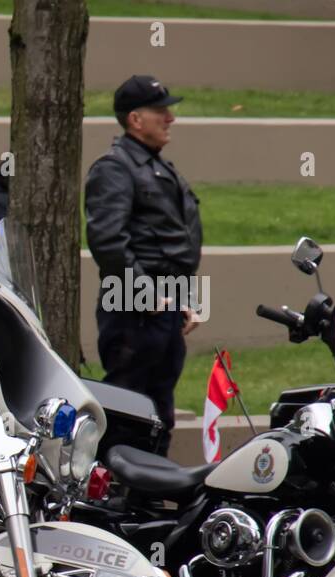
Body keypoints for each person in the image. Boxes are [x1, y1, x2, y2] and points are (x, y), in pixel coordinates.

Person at [85, 75, 203, 456]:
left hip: (160, 306)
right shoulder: (115, 168)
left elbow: (170, 245)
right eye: (161, 111)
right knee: (128, 405)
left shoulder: (155, 166)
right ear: (136, 119)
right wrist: (144, 293)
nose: (170, 118)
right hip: (134, 308)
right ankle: (115, 498)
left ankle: (147, 495)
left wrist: (184, 298)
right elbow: (108, 240)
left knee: (159, 407)